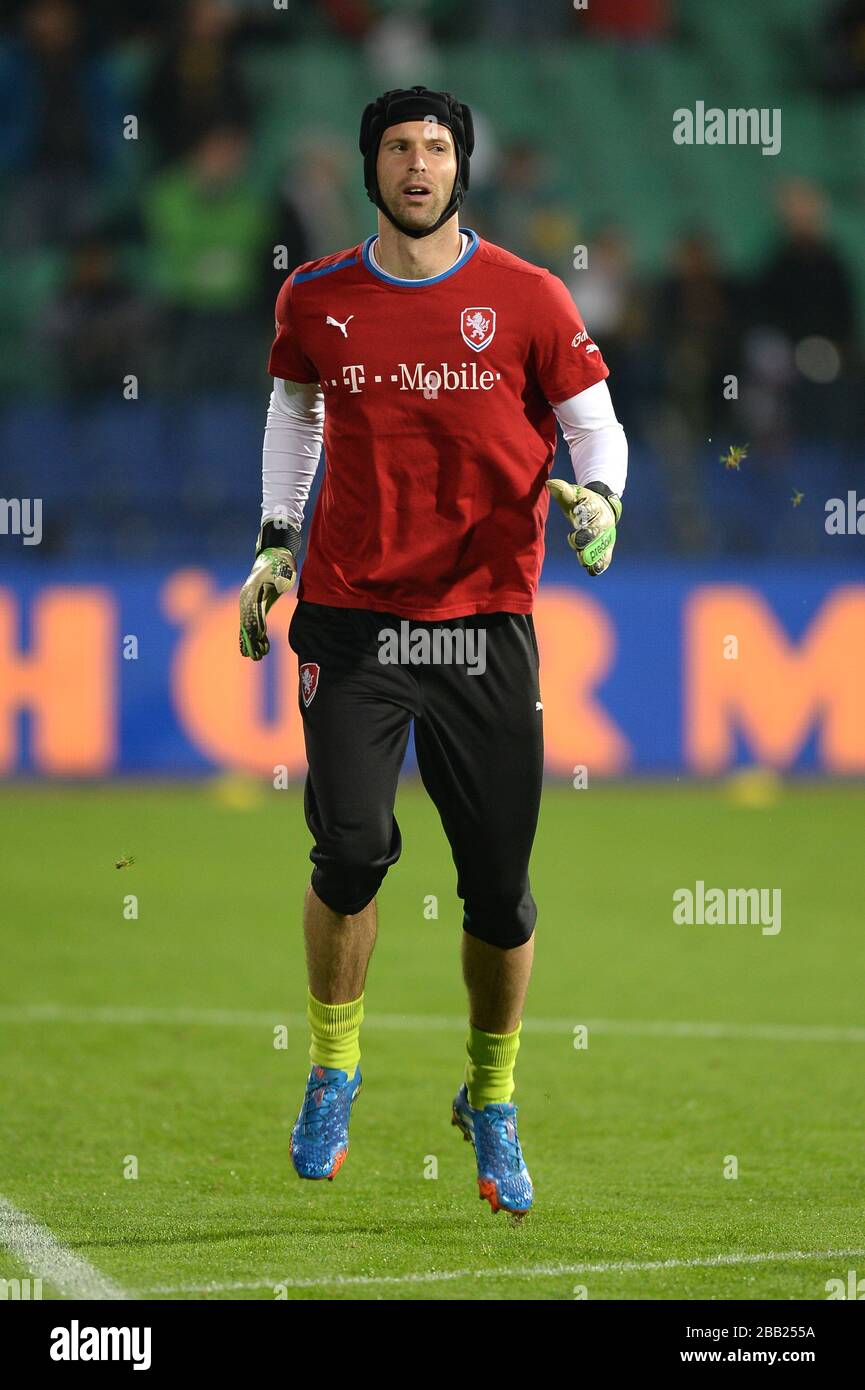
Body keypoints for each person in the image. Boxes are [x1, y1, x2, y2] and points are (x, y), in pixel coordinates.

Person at [238, 86, 628, 1217]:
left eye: (438, 148)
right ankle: (332, 1069)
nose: (420, 164)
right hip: (355, 619)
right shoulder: (315, 298)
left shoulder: (527, 294)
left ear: (464, 167)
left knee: (499, 894)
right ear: (371, 168)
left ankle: (491, 1099)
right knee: (352, 851)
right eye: (400, 148)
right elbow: (295, 414)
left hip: (484, 624)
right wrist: (274, 542)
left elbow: (593, 421)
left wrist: (598, 499)